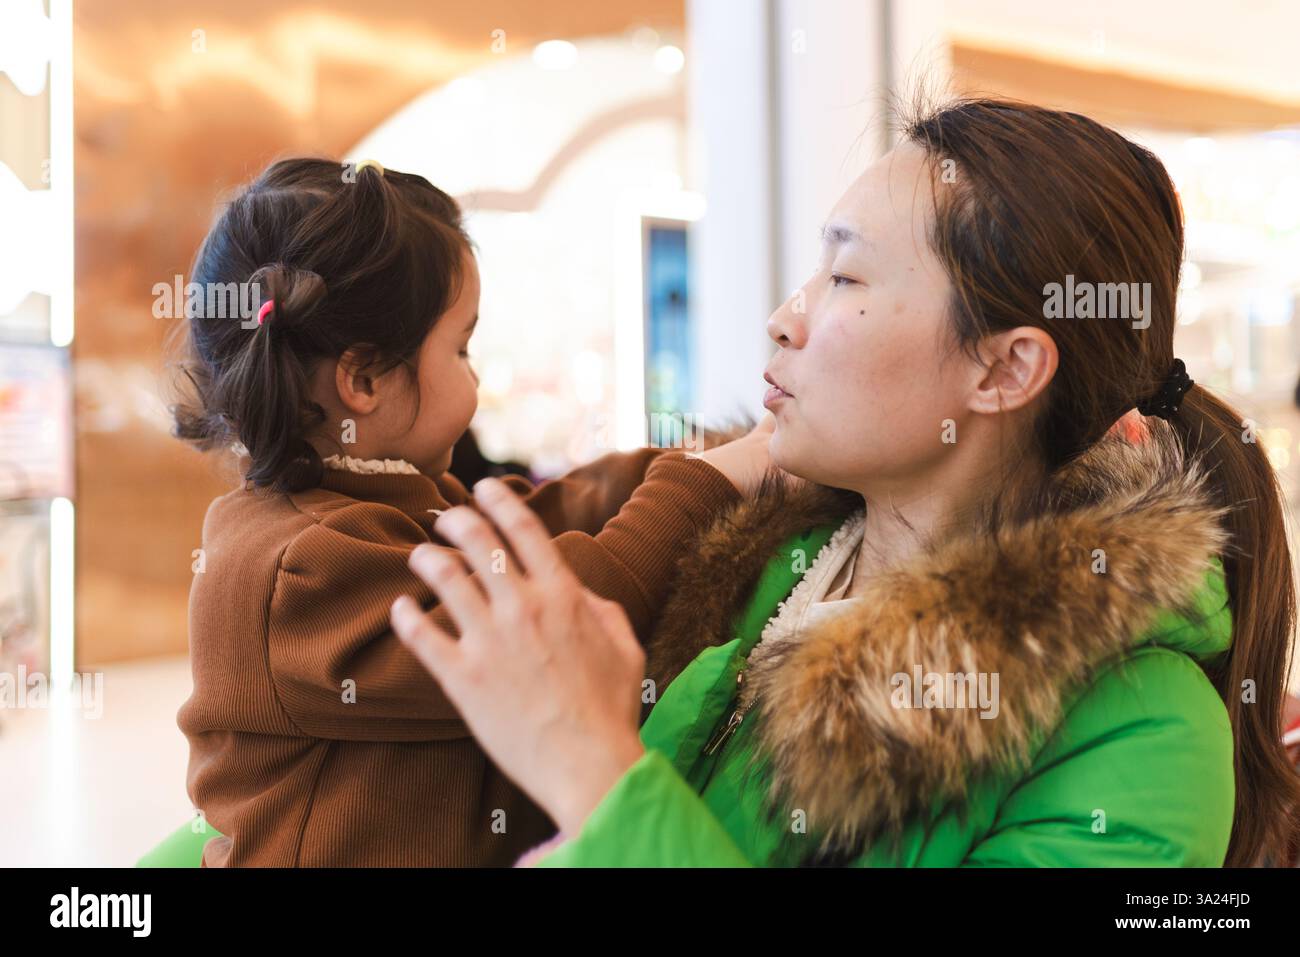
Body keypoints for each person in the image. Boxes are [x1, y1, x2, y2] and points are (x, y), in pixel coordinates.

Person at [392, 99, 1300, 867]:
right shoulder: (761, 563)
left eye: (846, 275)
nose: (786, 320)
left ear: (1004, 370)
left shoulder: (1147, 737)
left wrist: (592, 770)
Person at [159, 157, 771, 866]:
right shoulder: (301, 570)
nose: (475, 372)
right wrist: (705, 487)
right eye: (462, 346)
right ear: (363, 380)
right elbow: (548, 614)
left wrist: (685, 464)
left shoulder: (379, 493)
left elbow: (539, 514)